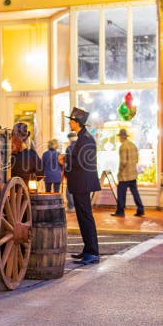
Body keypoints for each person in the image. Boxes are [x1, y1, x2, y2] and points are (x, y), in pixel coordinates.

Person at [64, 108, 101, 265]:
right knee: (83, 217)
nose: (69, 122)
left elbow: (81, 162)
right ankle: (88, 250)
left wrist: (64, 158)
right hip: (80, 183)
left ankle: (92, 252)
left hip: (82, 184)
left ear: (76, 122)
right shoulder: (83, 137)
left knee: (86, 217)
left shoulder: (85, 139)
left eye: (71, 120)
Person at [111, 128, 145, 217]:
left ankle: (120, 211)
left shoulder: (123, 146)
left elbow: (123, 162)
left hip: (125, 175)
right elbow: (137, 159)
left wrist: (119, 172)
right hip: (133, 174)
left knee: (121, 194)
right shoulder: (133, 145)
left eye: (119, 137)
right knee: (135, 192)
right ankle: (140, 209)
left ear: (121, 137)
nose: (119, 138)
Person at [62, 132, 78, 211]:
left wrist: (65, 172)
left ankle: (71, 206)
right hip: (80, 172)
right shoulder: (81, 146)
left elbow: (67, 162)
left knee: (69, 190)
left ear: (70, 139)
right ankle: (76, 206)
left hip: (71, 172)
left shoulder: (69, 148)